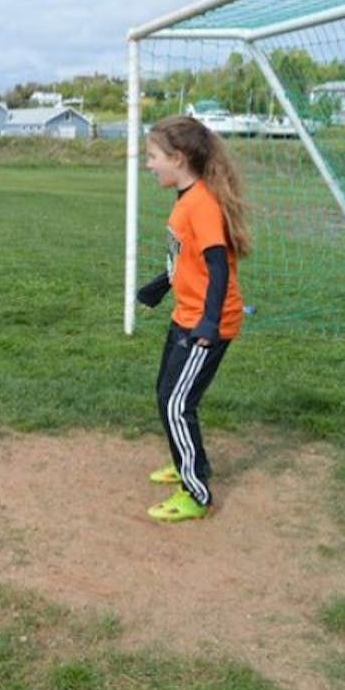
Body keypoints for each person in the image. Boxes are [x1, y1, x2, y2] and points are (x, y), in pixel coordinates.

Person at [136, 115, 251, 522]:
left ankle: (196, 492)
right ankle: (185, 458)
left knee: (177, 403)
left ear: (178, 159)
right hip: (186, 313)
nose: (148, 164)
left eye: (153, 156)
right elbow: (188, 259)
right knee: (167, 394)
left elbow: (218, 268)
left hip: (206, 323)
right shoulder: (186, 197)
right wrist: (158, 287)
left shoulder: (201, 203)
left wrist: (208, 324)